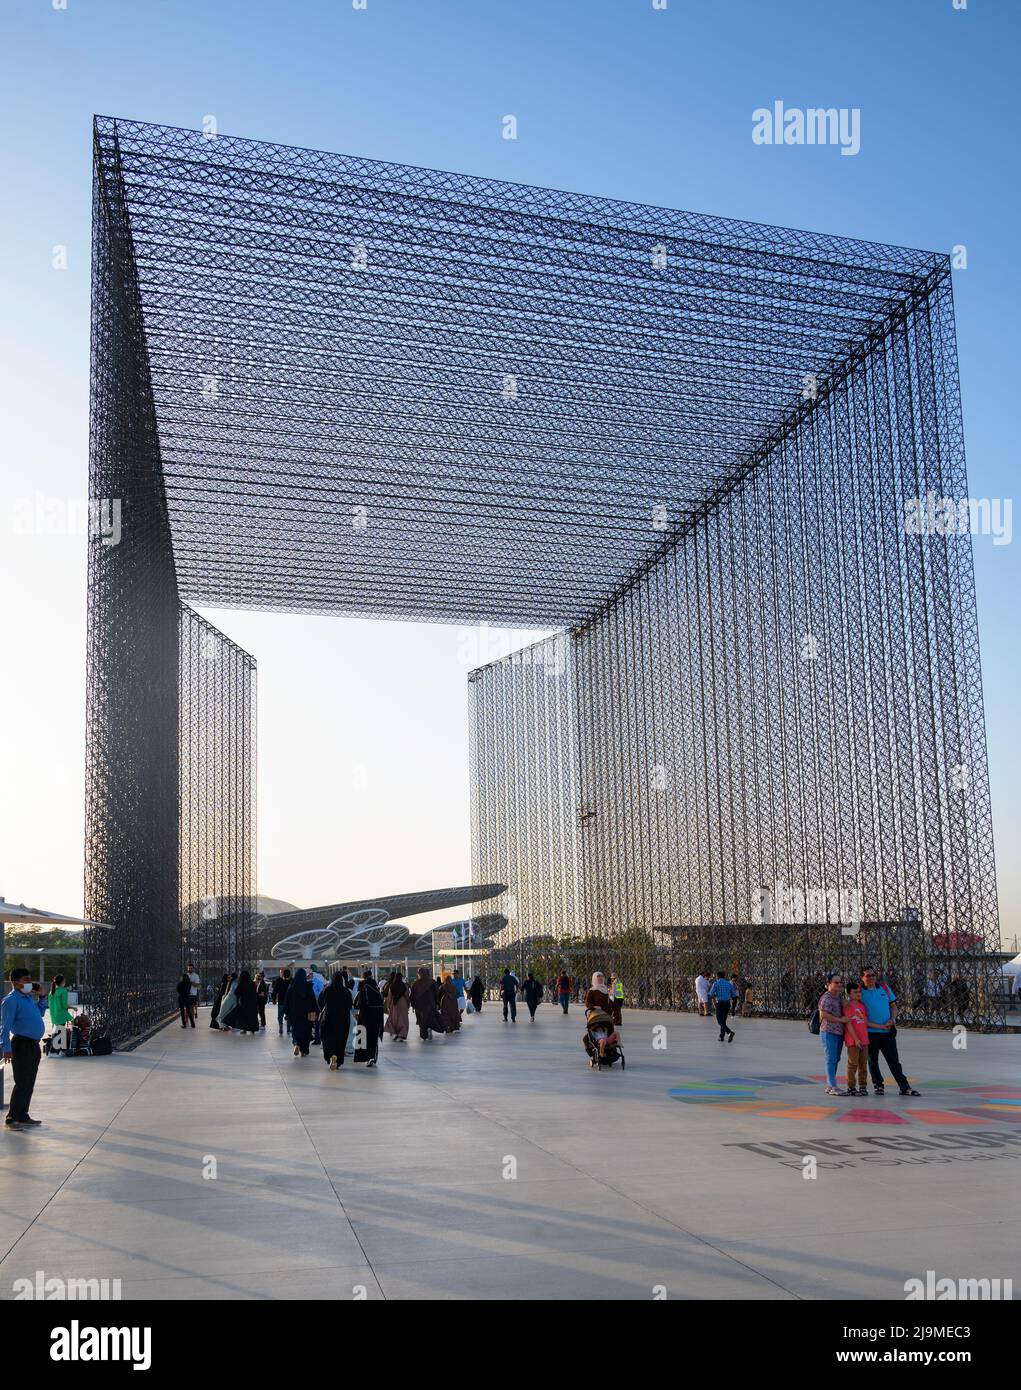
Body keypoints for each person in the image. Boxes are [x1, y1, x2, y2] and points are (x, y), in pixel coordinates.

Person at [860, 967, 920, 1097]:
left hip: (887, 1032)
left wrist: (892, 1019)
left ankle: (904, 1087)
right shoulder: (859, 992)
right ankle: (878, 1085)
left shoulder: (884, 988)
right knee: (872, 1060)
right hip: (870, 1032)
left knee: (893, 1060)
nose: (871, 978)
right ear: (862, 978)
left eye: (873, 975)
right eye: (867, 976)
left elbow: (893, 1006)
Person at [1, 968, 48, 1126]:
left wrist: (42, 997)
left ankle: (23, 1114)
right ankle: (12, 1117)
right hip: (21, 1045)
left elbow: (40, 1013)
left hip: (33, 1045)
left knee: (29, 1081)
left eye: (30, 979)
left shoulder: (28, 998)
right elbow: (4, 1026)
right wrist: (6, 1048)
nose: (29, 983)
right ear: (15, 982)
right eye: (25, 980)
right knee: (21, 1082)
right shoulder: (11, 1000)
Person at [818, 973, 846, 1096]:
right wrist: (840, 1020)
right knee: (831, 1059)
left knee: (835, 1059)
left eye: (840, 982)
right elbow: (823, 1015)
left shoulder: (838, 998)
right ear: (828, 984)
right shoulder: (827, 998)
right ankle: (833, 1085)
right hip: (829, 1032)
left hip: (838, 1032)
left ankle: (830, 1085)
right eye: (836, 982)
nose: (839, 984)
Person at [843, 980, 870, 1096]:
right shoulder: (848, 1006)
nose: (858, 994)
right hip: (853, 1040)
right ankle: (851, 1087)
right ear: (849, 994)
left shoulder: (862, 1005)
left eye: (859, 992)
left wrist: (882, 1026)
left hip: (864, 1039)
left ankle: (863, 1086)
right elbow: (848, 1024)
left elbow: (866, 1022)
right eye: (855, 992)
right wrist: (856, 1039)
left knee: (863, 1064)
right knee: (853, 1064)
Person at [321, 972, 353, 1070]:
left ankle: (330, 1056)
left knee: (328, 1038)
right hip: (343, 1020)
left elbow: (321, 1001)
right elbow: (350, 1005)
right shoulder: (346, 991)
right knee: (341, 1040)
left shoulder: (328, 990)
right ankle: (337, 1059)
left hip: (329, 1018)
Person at [286, 968, 318, 1057]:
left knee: (296, 1032)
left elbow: (287, 1002)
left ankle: (296, 1044)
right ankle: (304, 1050)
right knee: (306, 1032)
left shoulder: (291, 988)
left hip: (294, 1015)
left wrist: (286, 1012)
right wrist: (316, 1011)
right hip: (306, 1015)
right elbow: (313, 1001)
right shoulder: (308, 987)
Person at [356, 971, 385, 1065]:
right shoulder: (376, 991)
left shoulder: (364, 989)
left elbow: (358, 1004)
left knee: (365, 1037)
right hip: (376, 1018)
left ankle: (366, 1057)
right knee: (373, 1038)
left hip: (365, 1018)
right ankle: (372, 1057)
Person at [410, 965, 440, 1041]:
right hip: (431, 1004)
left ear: (419, 974)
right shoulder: (432, 982)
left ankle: (423, 1035)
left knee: (421, 1020)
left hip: (419, 1006)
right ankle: (429, 1028)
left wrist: (413, 1005)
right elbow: (437, 993)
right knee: (429, 1018)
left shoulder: (416, 983)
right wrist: (437, 1003)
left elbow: (412, 995)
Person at [47, 974, 76, 1049]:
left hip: (54, 1016)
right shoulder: (63, 991)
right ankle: (59, 1050)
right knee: (61, 1032)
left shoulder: (51, 992)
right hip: (61, 1015)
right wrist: (73, 1007)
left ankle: (54, 1050)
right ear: (62, 982)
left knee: (56, 1032)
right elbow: (64, 1005)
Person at [383, 971, 410, 1042]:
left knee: (394, 1019)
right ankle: (402, 1034)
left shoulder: (392, 986)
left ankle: (395, 1033)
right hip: (403, 1002)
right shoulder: (405, 986)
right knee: (403, 1019)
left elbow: (389, 997)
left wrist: (388, 1005)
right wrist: (408, 1004)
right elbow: (407, 996)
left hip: (394, 1003)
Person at [709, 972, 735, 1042]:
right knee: (723, 1021)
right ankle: (721, 1036)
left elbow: (711, 994)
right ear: (724, 976)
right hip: (727, 1003)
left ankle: (729, 1032)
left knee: (719, 1021)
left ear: (717, 977)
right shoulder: (729, 984)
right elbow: (733, 994)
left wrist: (715, 995)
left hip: (720, 1003)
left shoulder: (716, 983)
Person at [234, 970, 259, 1035]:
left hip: (244, 1002)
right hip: (253, 1002)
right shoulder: (252, 983)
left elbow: (236, 992)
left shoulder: (241, 983)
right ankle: (253, 1029)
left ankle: (244, 1029)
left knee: (244, 1016)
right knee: (252, 1016)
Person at [308, 964, 327, 1045]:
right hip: (311, 1004)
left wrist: (313, 993)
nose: (309, 975)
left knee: (316, 1022)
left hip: (317, 1004)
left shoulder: (318, 980)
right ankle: (312, 1037)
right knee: (311, 1021)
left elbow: (322, 992)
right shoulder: (310, 981)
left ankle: (317, 1038)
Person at [271, 967, 292, 1035]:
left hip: (281, 1001)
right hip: (289, 1002)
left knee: (280, 1015)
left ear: (283, 974)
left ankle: (281, 1027)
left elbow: (275, 991)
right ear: (289, 975)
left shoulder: (279, 981)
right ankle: (288, 1028)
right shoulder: (292, 981)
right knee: (289, 1015)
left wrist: (273, 999)